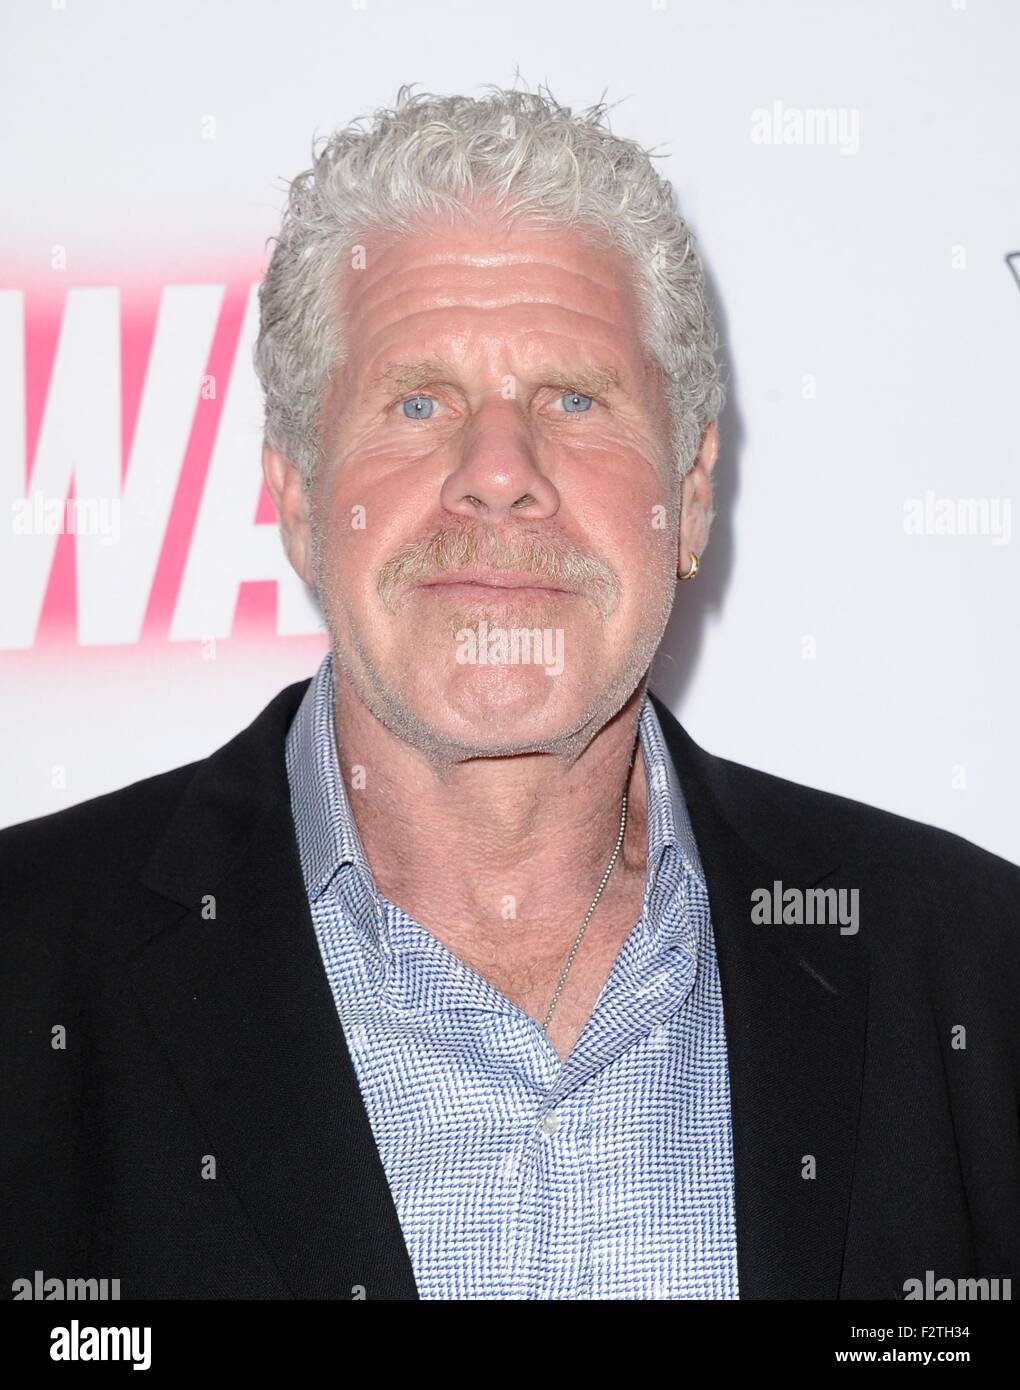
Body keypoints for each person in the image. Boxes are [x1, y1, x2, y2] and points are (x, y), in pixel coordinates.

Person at [2, 86, 1017, 1301]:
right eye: (418, 402)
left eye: (574, 400)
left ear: (690, 495)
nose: (498, 474)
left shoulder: (976, 970)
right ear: (301, 495)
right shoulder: (26, 967)